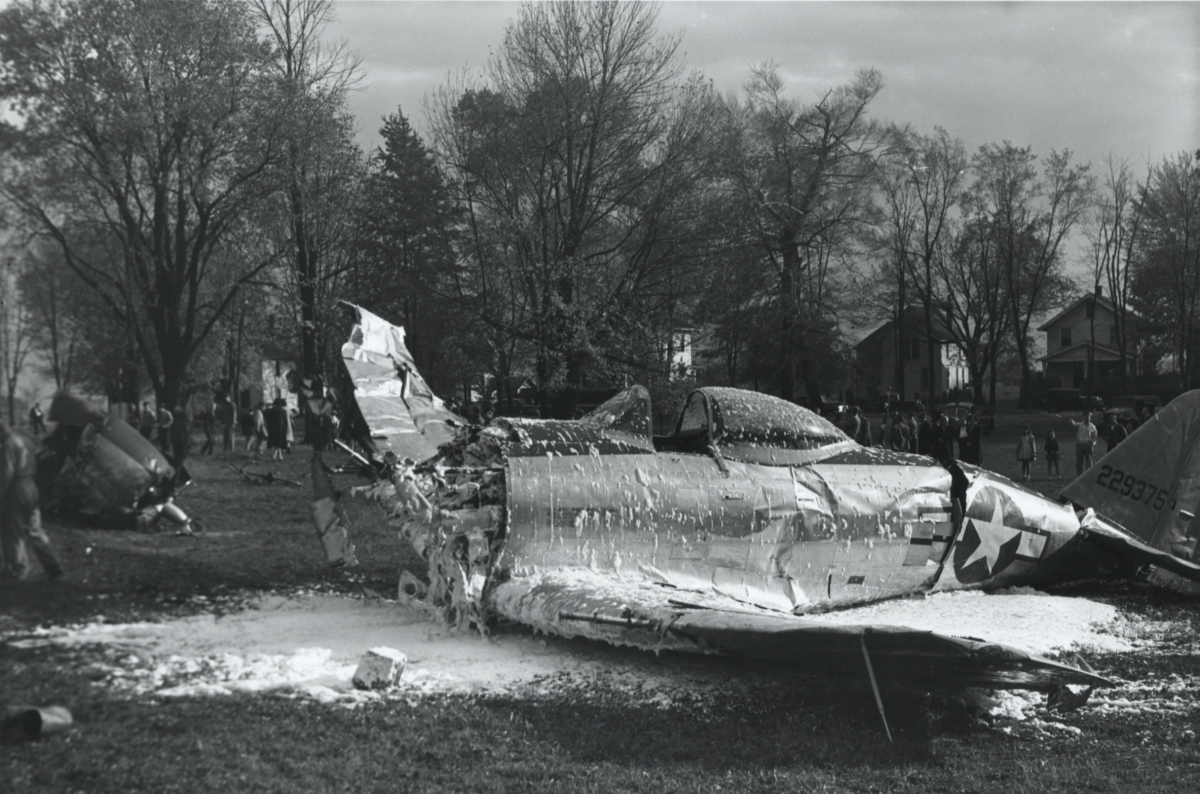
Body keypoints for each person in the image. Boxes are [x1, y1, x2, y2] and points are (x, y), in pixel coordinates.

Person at [0, 420, 62, 580]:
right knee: (35, 528)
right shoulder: (25, 441)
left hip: (16, 486)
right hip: (31, 483)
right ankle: (52, 564)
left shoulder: (8, 445)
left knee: (13, 530)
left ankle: (19, 568)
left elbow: (7, 473)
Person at [1070, 411, 1098, 476]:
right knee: (1079, 462)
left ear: (1090, 417)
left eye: (1088, 416)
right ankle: (1079, 476)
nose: (1087, 418)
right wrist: (1071, 421)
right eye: (1086, 416)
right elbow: (1074, 424)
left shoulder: (1092, 427)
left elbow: (1095, 436)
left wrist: (1093, 443)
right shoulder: (1080, 425)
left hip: (1088, 445)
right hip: (1080, 444)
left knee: (1089, 461)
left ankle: (1089, 475)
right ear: (1084, 417)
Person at [169, 405, 192, 486]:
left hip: (179, 443)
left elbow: (175, 433)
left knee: (177, 462)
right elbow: (186, 432)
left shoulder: (176, 421)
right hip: (183, 443)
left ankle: (179, 479)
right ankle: (177, 479)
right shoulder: (184, 421)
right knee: (178, 463)